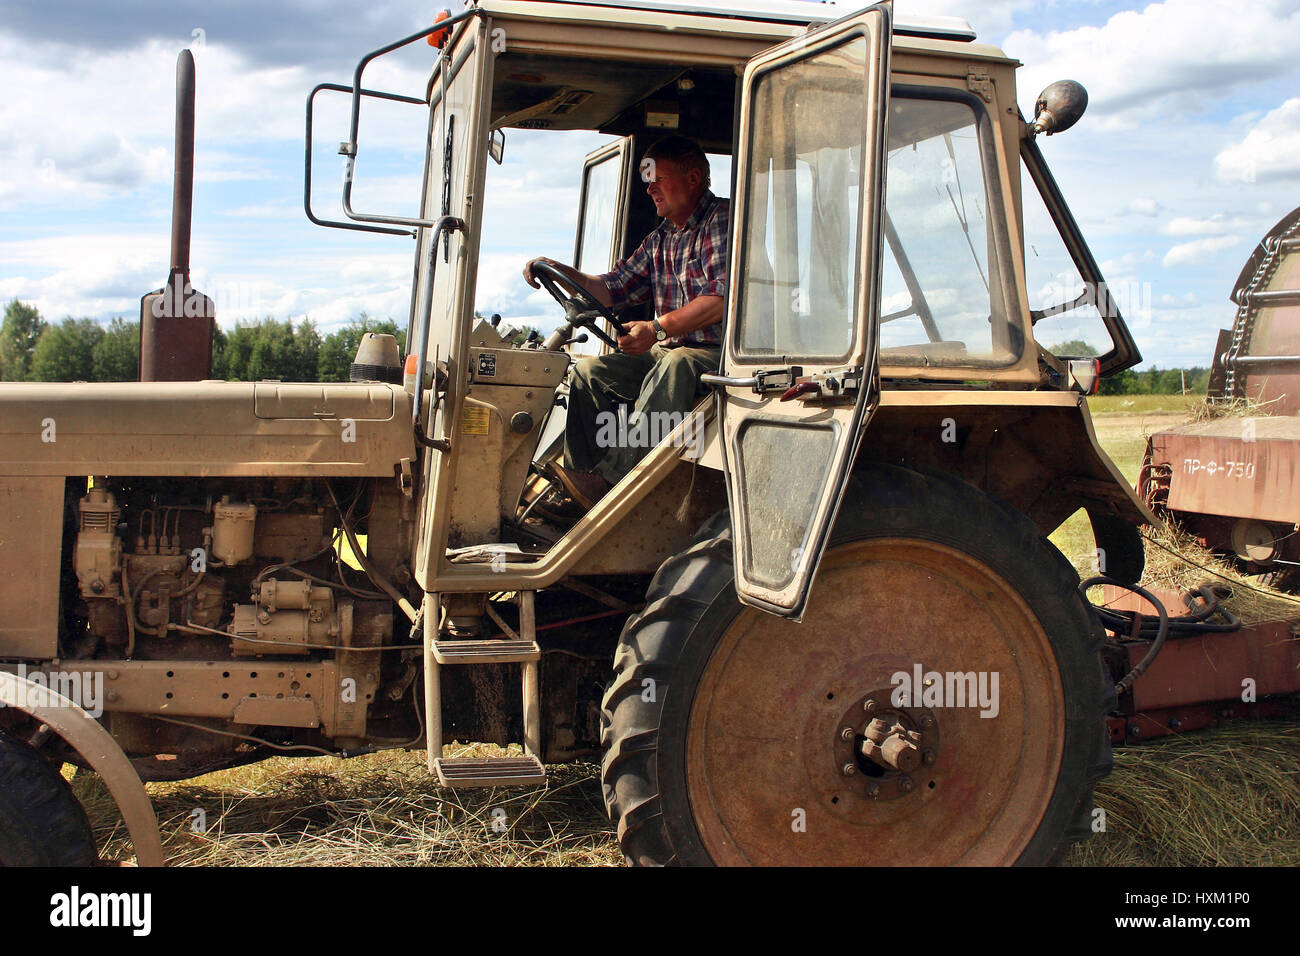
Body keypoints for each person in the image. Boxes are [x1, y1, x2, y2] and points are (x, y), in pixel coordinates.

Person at [523, 135, 729, 508]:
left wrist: (657, 328)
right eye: (647, 181)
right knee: (589, 372)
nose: (650, 188)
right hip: (669, 352)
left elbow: (718, 300)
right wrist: (560, 271)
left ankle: (612, 480)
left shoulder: (722, 221)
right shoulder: (660, 240)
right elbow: (612, 287)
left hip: (720, 354)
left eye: (658, 179)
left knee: (678, 363)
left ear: (694, 179)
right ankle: (579, 485)